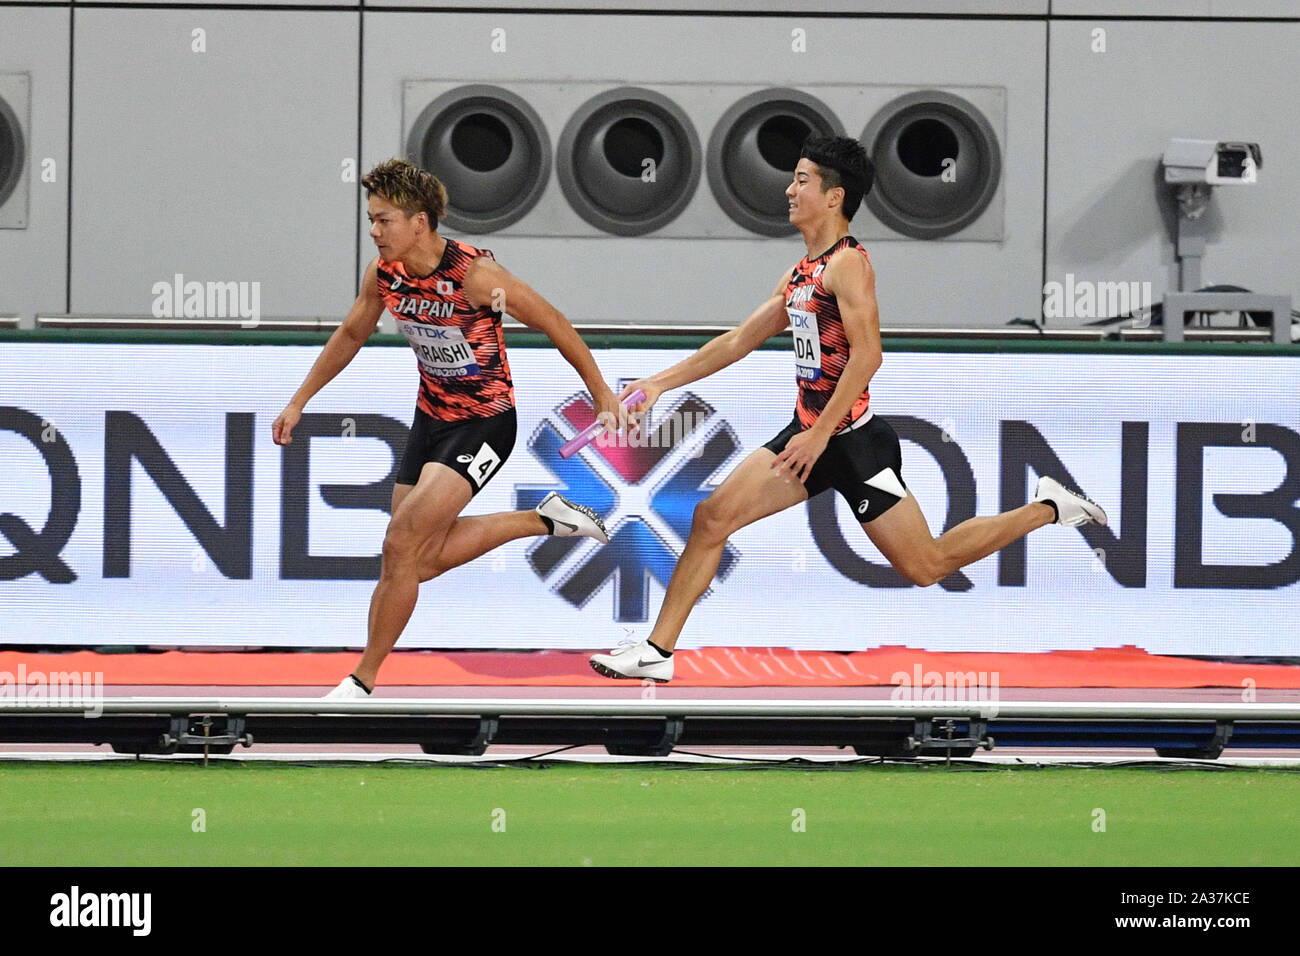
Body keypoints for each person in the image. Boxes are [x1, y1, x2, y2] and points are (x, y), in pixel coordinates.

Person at [590, 135, 1107, 683]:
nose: (789, 190)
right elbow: (739, 339)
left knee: (925, 565)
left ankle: (1049, 507)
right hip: (809, 437)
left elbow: (868, 357)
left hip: (854, 445)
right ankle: (657, 650)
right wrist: (660, 384)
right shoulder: (800, 273)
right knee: (712, 517)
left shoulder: (849, 265)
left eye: (802, 180)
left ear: (834, 197)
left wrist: (820, 437)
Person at [274, 158, 617, 697]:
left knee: (400, 542)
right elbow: (350, 334)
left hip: (485, 424)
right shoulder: (384, 274)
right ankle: (541, 520)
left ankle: (361, 682)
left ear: (420, 222)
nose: (374, 230)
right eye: (371, 218)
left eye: (384, 219)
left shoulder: (477, 277)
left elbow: (553, 321)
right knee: (420, 560)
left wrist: (600, 393)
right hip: (430, 419)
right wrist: (299, 401)